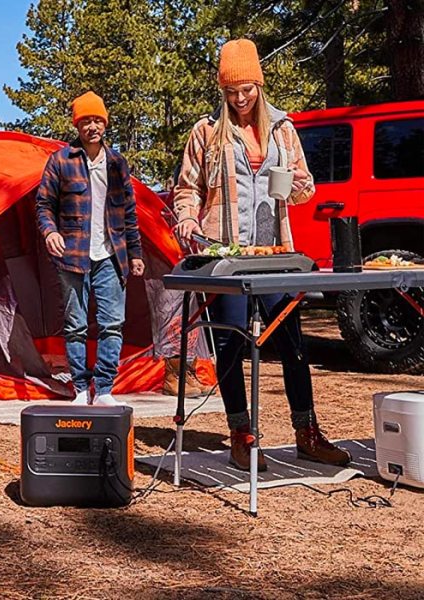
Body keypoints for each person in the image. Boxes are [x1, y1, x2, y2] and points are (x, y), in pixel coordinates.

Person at [172, 39, 350, 470]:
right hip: (223, 255)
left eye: (246, 89)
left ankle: (307, 431)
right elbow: (186, 190)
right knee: (231, 341)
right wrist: (188, 221)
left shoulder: (283, 131)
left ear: (259, 84)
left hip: (273, 253)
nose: (239, 99)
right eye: (231, 91)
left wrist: (292, 183)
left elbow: (307, 188)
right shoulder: (206, 132)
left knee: (292, 342)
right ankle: (242, 433)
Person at [36, 91, 145, 407]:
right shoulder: (60, 161)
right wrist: (50, 232)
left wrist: (135, 254)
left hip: (111, 255)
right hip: (73, 256)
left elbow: (129, 212)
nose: (92, 126)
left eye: (97, 120)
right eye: (86, 121)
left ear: (105, 124)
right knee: (76, 326)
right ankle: (81, 389)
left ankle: (105, 389)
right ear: (77, 125)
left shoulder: (116, 163)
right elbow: (43, 204)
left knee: (112, 323)